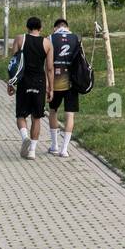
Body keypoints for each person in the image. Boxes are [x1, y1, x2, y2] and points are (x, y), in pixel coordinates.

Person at [7, 16, 52, 160]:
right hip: (39, 82)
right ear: (40, 28)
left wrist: (10, 83)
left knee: (21, 115)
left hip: (24, 81)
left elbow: (13, 64)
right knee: (37, 117)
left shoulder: (20, 39)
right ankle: (32, 151)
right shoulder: (47, 43)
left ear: (27, 27)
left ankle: (25, 137)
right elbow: (50, 68)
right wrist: (50, 88)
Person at [46, 18, 83, 157]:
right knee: (70, 114)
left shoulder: (50, 38)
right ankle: (64, 149)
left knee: (53, 111)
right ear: (67, 27)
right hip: (72, 81)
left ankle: (54, 145)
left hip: (55, 80)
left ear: (55, 28)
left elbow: (47, 63)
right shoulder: (76, 38)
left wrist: (48, 85)